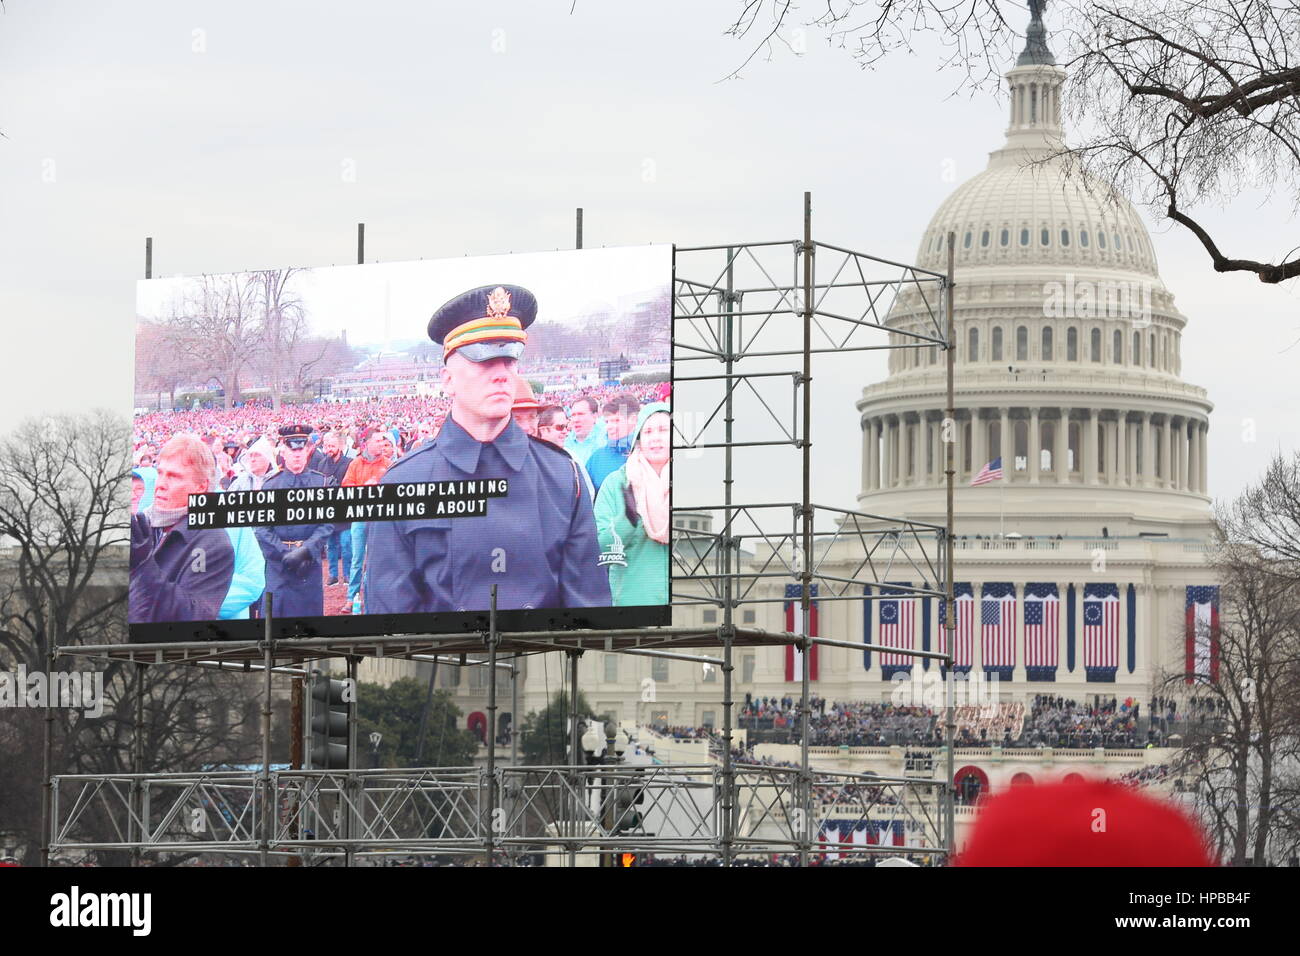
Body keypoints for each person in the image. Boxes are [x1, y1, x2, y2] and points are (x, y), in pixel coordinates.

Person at [365, 283, 611, 614]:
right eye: (485, 361)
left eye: (509, 361)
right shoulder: (402, 483)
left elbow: (588, 611)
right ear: (447, 378)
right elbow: (390, 622)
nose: (502, 375)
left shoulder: (563, 476)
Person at [129, 434, 236, 625]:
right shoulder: (145, 522)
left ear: (201, 487)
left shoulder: (214, 542)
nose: (161, 484)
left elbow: (193, 616)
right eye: (160, 473)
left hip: (165, 653)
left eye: (173, 477)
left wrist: (143, 566)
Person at [254, 425, 335, 618]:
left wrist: (306, 550)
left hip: (309, 563)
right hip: (278, 565)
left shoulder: (322, 483)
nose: (297, 454)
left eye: (301, 448)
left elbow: (327, 524)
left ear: (308, 450)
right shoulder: (270, 485)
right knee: (274, 622)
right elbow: (262, 528)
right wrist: (285, 553)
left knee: (310, 623)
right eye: (292, 449)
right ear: (283, 450)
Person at [593, 403, 670, 606]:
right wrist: (628, 518)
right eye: (648, 431)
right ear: (639, 440)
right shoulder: (616, 483)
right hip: (633, 607)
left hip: (688, 609)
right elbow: (600, 549)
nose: (655, 438)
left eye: (663, 430)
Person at [340, 426, 395, 613]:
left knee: (377, 559)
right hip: (360, 517)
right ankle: (352, 597)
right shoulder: (356, 464)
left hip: (380, 520)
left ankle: (374, 597)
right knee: (357, 559)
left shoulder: (388, 464)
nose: (382, 444)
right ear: (368, 443)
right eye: (378, 441)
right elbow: (346, 486)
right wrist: (365, 487)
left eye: (383, 441)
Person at [315, 431, 353, 585]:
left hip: (344, 509)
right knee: (330, 545)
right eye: (327, 446)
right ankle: (333, 575)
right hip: (328, 510)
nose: (329, 449)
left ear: (340, 446)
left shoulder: (350, 462)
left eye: (332, 446)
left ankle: (348, 574)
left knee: (346, 544)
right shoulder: (322, 463)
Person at [585, 392, 641, 493]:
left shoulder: (649, 453)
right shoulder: (597, 458)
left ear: (633, 420)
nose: (609, 426)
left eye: (616, 420)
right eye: (607, 422)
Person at [564, 395, 606, 467]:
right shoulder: (565, 443)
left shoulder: (605, 440)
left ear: (594, 416)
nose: (576, 420)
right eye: (573, 415)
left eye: (581, 414)